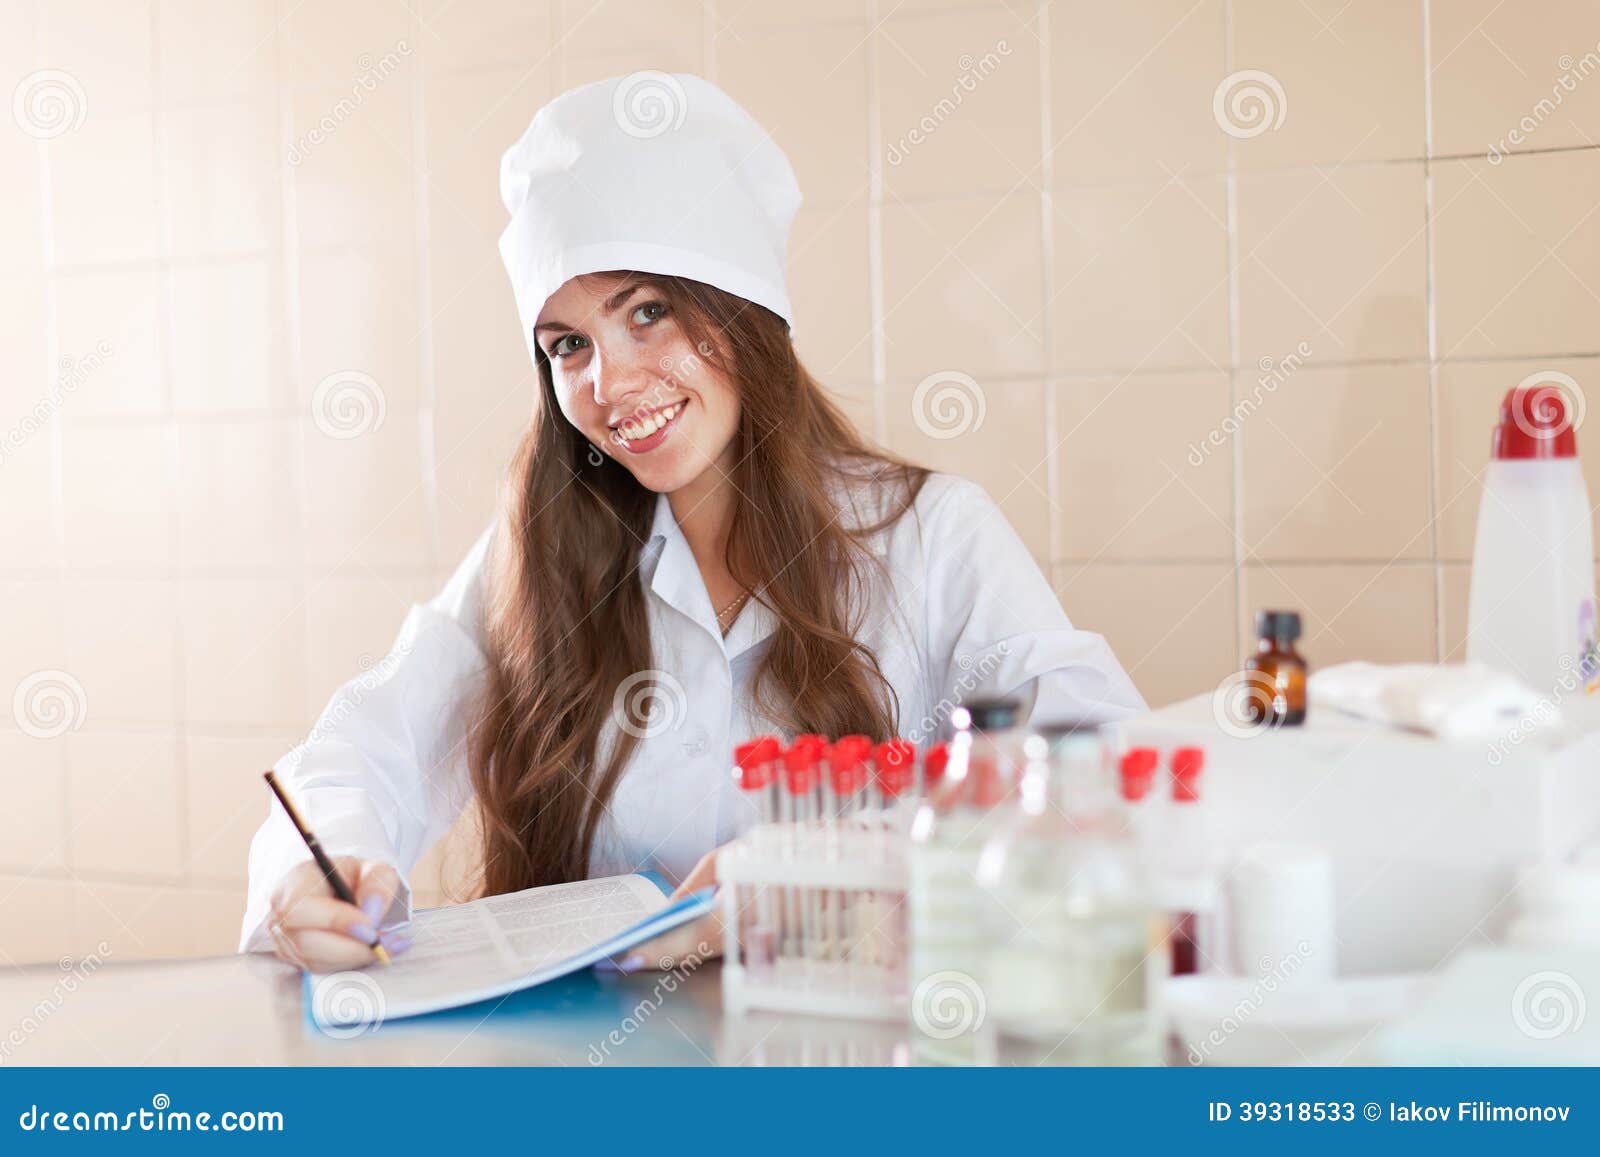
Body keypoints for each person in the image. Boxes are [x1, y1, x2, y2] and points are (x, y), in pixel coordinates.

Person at [243, 72, 1145, 972]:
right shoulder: (542, 550)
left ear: (745, 314)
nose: (609, 383)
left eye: (648, 311)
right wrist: (315, 873)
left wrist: (826, 868)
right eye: (569, 344)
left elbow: (1102, 776)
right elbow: (361, 753)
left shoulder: (931, 535)